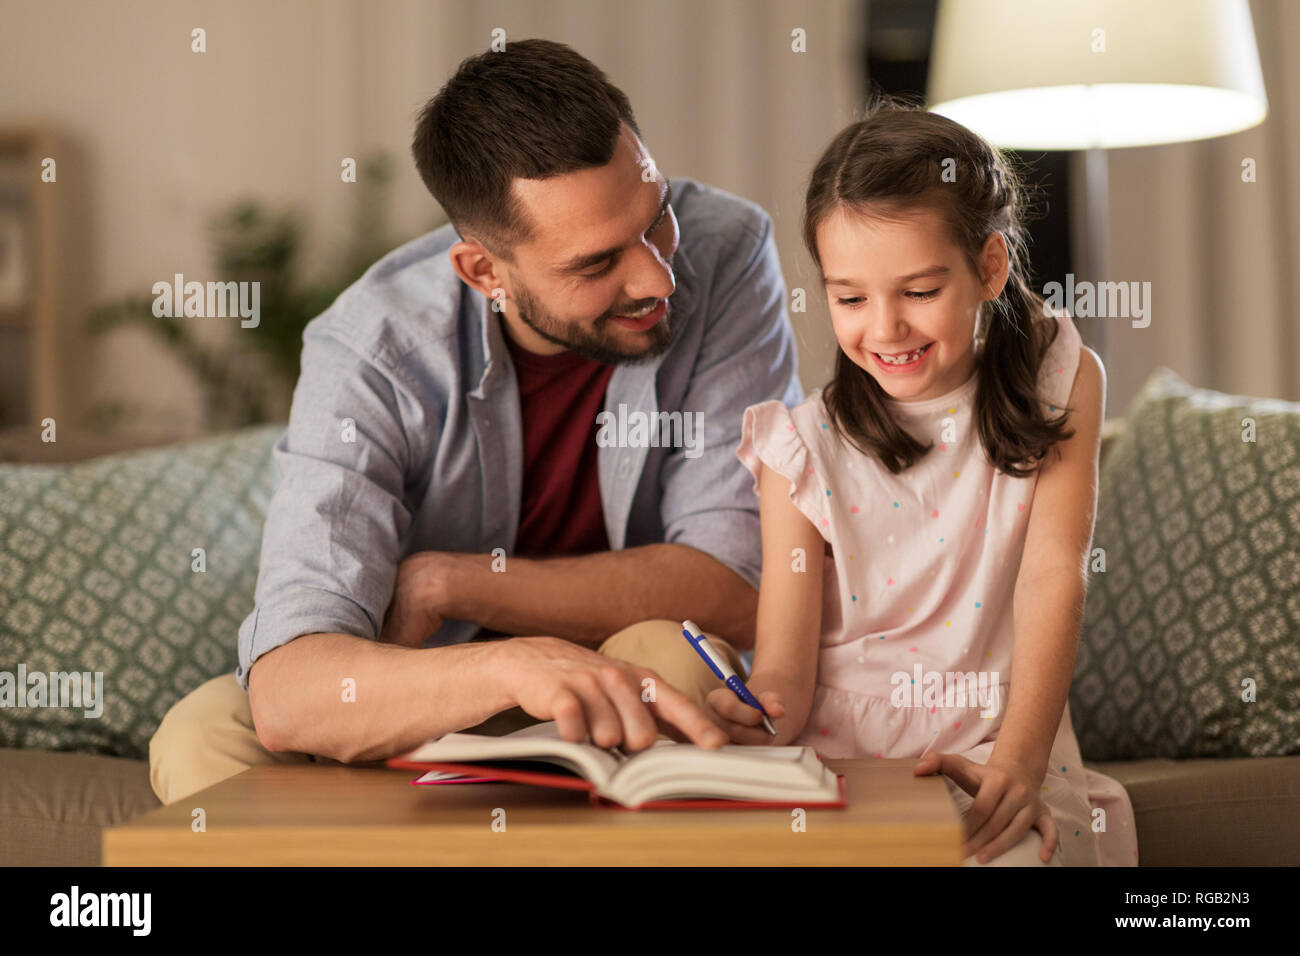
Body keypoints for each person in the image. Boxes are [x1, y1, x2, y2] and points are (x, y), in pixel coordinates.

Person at [148, 39, 801, 804]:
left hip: (618, 678)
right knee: (202, 736)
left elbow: (733, 585)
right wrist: (510, 663)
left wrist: (453, 583)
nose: (656, 277)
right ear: (484, 272)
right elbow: (292, 687)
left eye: (656, 222)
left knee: (674, 657)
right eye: (595, 266)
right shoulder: (370, 349)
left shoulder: (727, 253)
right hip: (424, 685)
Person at [711, 97, 1139, 867]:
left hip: (996, 742)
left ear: (989, 267)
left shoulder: (1063, 376)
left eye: (917, 291)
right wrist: (752, 716)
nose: (884, 328)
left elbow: (1052, 575)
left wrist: (1020, 762)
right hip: (845, 760)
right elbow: (783, 673)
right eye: (849, 298)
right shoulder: (799, 448)